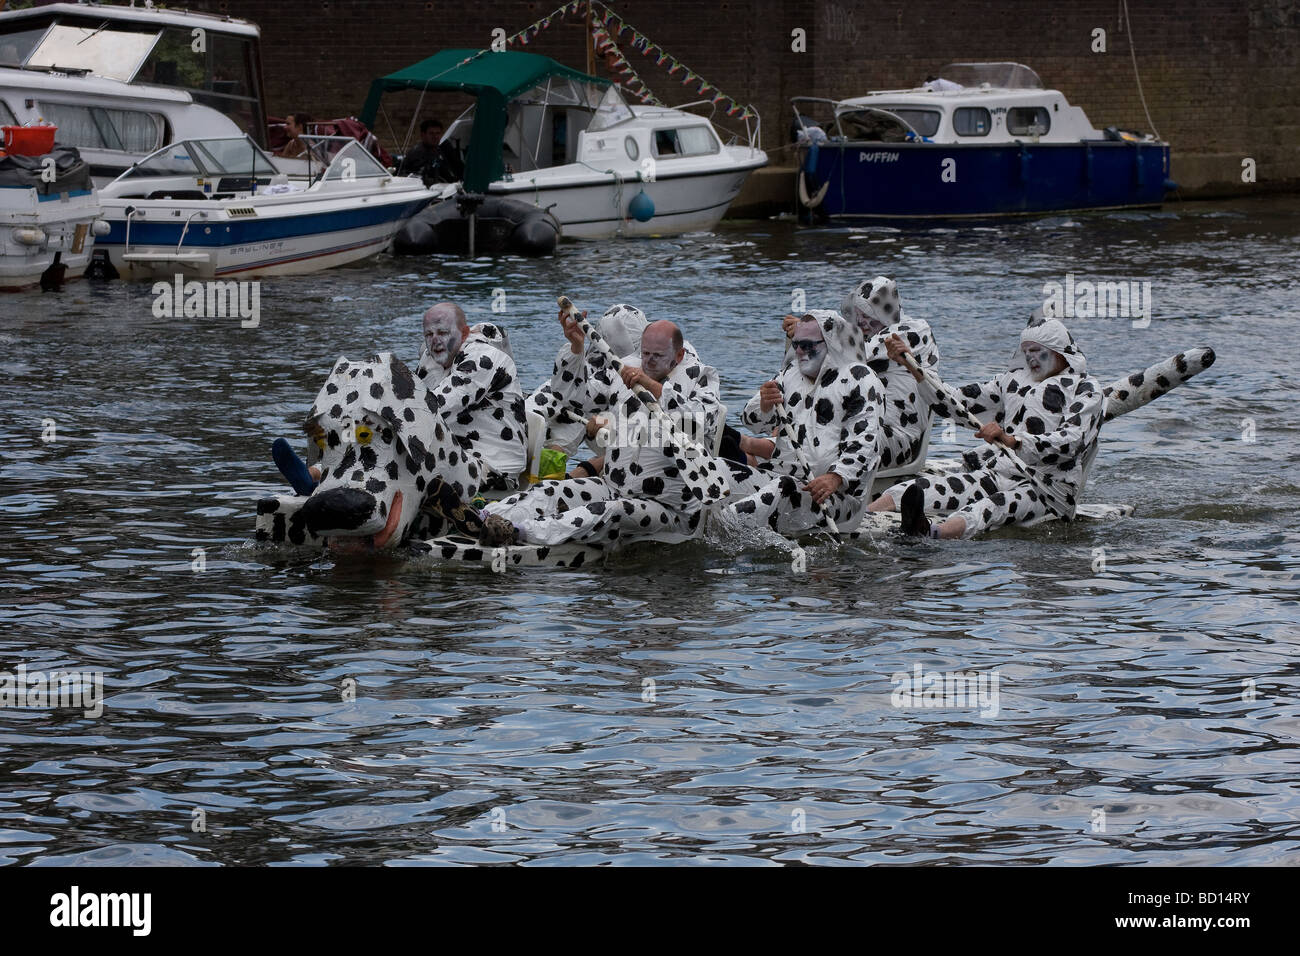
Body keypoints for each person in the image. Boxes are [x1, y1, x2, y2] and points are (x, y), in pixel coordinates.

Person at [479, 312, 728, 547]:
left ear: (679, 355)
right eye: (645, 353)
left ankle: (519, 532)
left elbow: (702, 421)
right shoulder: (623, 371)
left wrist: (651, 386)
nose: (649, 361)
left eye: (658, 356)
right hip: (612, 487)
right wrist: (576, 348)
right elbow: (571, 397)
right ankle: (482, 516)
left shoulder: (701, 379)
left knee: (613, 511)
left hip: (668, 508)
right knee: (550, 489)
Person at [868, 318, 1104, 539]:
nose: (1031, 358)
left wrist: (1013, 441)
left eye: (1037, 351)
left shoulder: (1086, 388)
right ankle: (866, 516)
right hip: (1002, 473)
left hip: (1048, 487)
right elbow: (956, 402)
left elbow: (1072, 440)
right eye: (1026, 352)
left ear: (1059, 351)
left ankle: (930, 534)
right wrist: (912, 365)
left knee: (990, 507)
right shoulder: (1012, 381)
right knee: (914, 488)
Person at [720, 310, 885, 534]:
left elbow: (866, 441)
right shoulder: (790, 373)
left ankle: (719, 530)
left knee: (782, 487)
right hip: (779, 477)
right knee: (717, 468)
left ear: (831, 344)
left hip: (834, 496)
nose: (798, 351)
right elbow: (753, 422)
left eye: (807, 345)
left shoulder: (860, 379)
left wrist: (836, 477)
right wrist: (765, 405)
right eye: (796, 344)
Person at [415, 303, 527, 490]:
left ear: (464, 334)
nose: (434, 340)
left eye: (442, 332)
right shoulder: (430, 358)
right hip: (453, 454)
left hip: (494, 465)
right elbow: (411, 399)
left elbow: (435, 409)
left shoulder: (482, 359)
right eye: (428, 334)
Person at [526, 303, 649, 473]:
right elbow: (564, 395)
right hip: (603, 433)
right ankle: (546, 472)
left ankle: (560, 477)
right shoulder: (599, 367)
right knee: (568, 408)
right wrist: (576, 347)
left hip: (639, 448)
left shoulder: (653, 367)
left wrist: (586, 470)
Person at [839, 276, 940, 470]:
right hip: (864, 428)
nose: (861, 322)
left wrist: (811, 331)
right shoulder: (864, 336)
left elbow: (853, 353)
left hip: (898, 440)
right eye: (859, 315)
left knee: (822, 437)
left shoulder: (913, 331)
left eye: (869, 316)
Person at [397, 119, 464, 185]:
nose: (435, 137)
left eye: (438, 133)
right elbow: (418, 178)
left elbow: (457, 168)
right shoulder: (417, 154)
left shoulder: (442, 148)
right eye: (431, 133)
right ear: (423, 135)